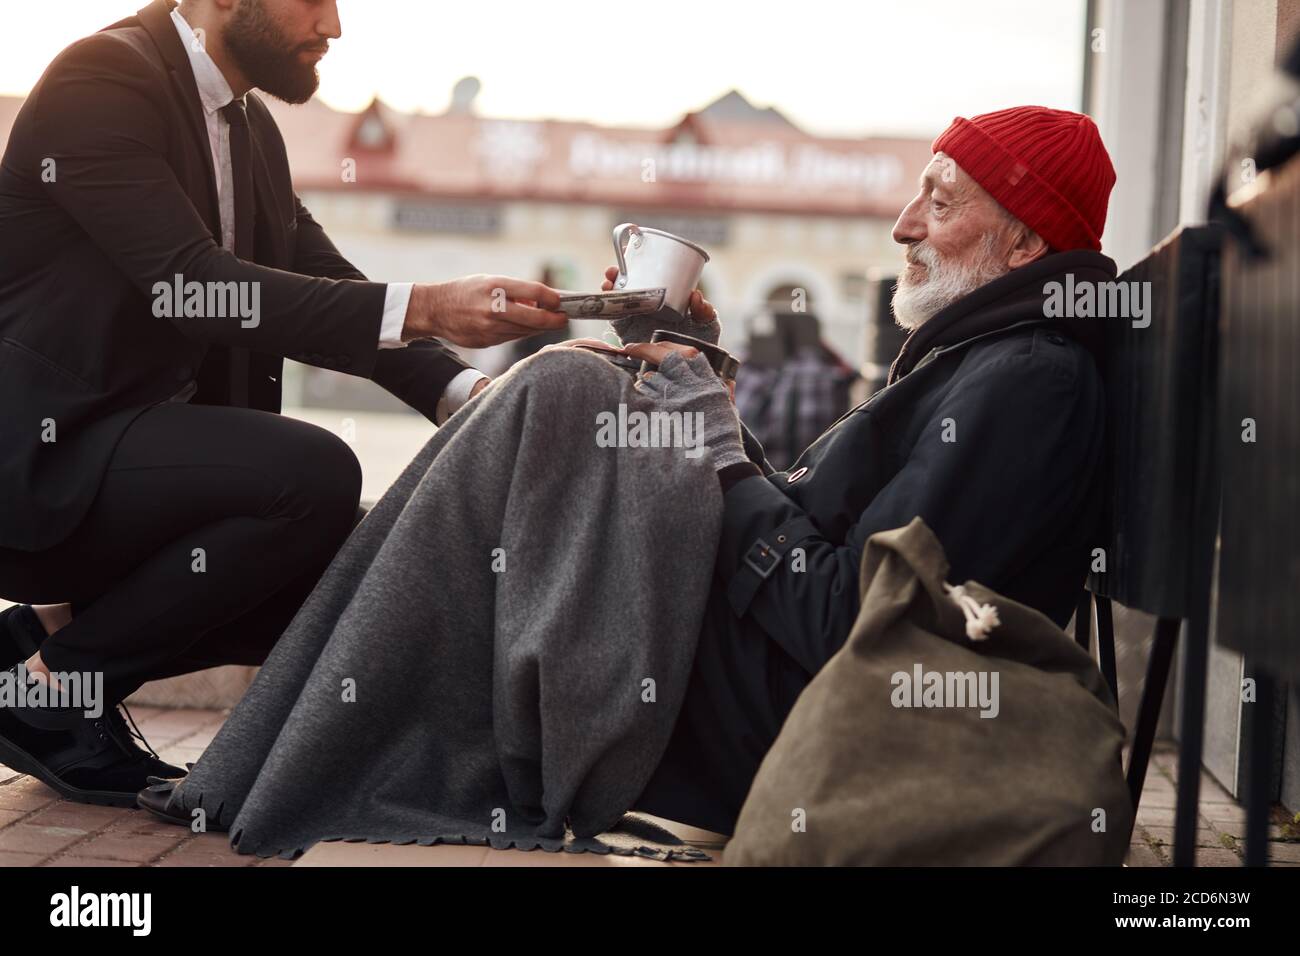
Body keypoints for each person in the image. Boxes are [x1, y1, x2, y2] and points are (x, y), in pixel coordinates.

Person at [138, 104, 1121, 844]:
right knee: (576, 396)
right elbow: (808, 540)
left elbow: (841, 625)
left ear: (1026, 242)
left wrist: (712, 448)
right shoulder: (990, 361)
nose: (902, 224)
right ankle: (307, 747)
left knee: (565, 392)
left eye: (938, 202)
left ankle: (301, 750)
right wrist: (697, 375)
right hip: (752, 670)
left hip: (786, 717)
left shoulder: (1024, 383)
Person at [0, 0, 566, 805]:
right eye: (313, 0)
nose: (333, 26)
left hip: (137, 478)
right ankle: (46, 696)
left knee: (352, 583)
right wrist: (430, 303)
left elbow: (327, 283)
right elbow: (190, 286)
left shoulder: (248, 127)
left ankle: (43, 649)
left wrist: (474, 394)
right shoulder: (101, 79)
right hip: (43, 461)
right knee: (312, 475)